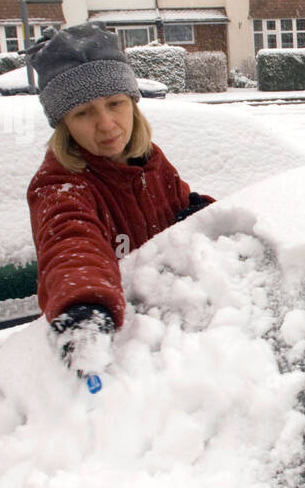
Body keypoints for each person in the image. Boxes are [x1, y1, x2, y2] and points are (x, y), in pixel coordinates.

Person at [25, 23, 212, 374]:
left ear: (133, 104)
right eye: (83, 112)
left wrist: (203, 216)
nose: (107, 124)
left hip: (172, 345)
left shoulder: (149, 162)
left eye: (115, 104)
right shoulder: (59, 186)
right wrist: (83, 309)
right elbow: (70, 242)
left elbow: (179, 212)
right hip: (121, 359)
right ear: (64, 123)